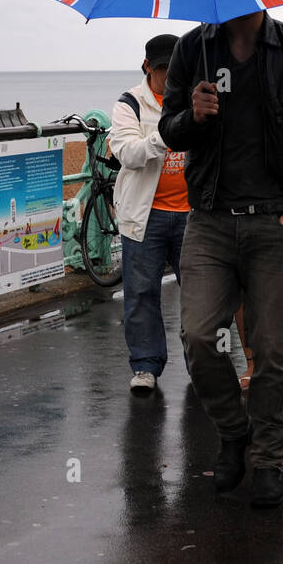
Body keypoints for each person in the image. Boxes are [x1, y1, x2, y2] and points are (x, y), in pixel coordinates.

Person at [158, 10, 283, 509]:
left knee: (271, 349)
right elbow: (171, 132)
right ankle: (234, 432)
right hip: (209, 219)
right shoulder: (194, 49)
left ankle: (270, 458)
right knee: (197, 336)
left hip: (275, 221)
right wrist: (192, 115)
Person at [107, 34, 189, 394]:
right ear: (147, 67)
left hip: (193, 213)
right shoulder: (130, 104)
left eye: (174, 69)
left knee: (203, 294)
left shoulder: (194, 99)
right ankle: (145, 365)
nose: (169, 76)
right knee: (141, 292)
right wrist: (167, 134)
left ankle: (204, 365)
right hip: (146, 213)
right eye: (162, 70)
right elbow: (128, 153)